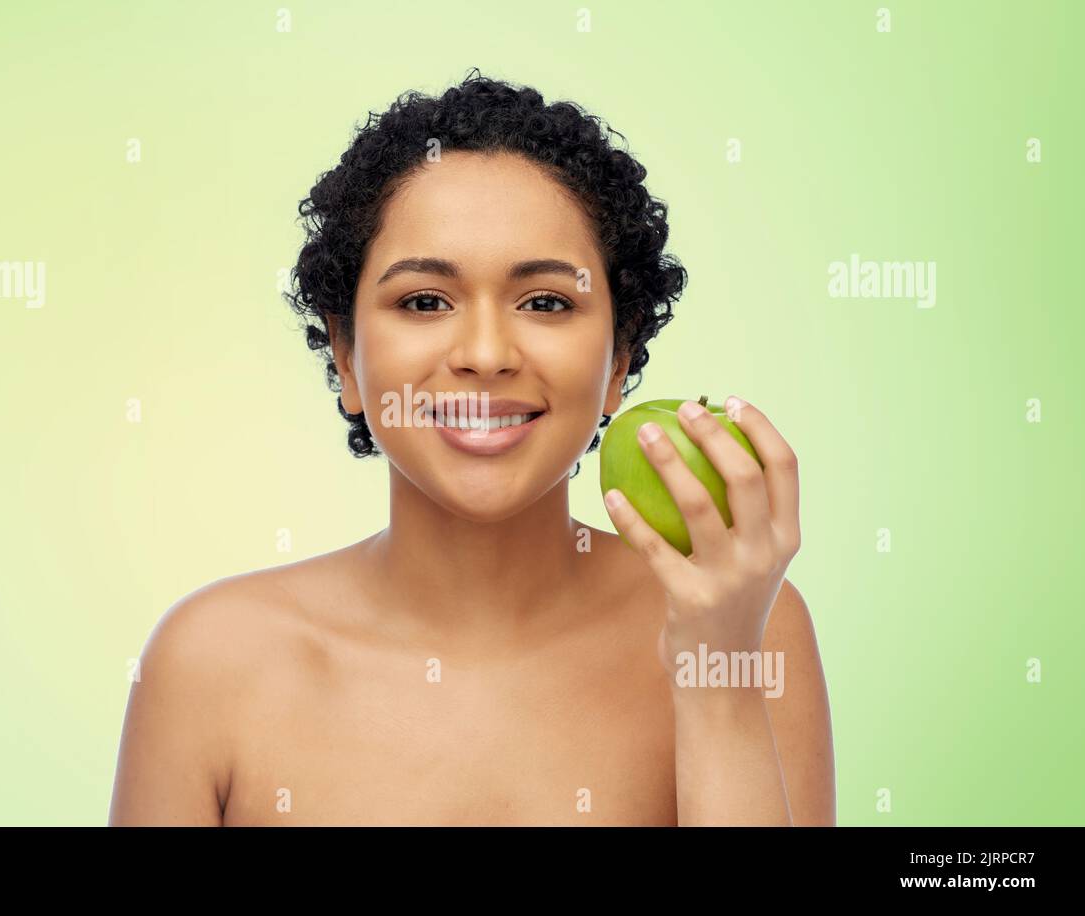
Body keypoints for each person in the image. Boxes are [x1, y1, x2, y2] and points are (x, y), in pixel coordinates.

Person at [109, 70, 834, 826]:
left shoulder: (751, 627)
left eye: (546, 302)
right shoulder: (209, 664)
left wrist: (717, 674)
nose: (486, 354)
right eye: (425, 301)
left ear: (619, 361)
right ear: (346, 352)